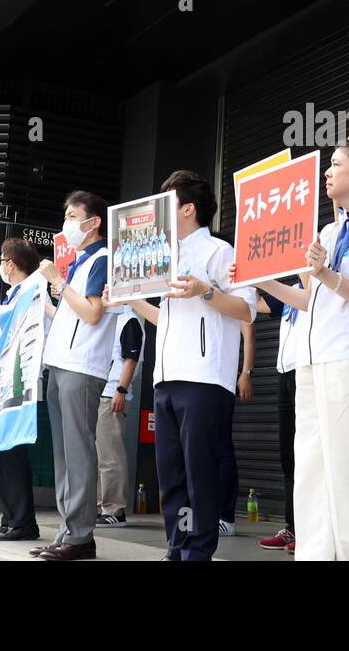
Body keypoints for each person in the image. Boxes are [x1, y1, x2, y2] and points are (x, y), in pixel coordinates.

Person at [254, 144, 349, 561]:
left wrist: (326, 273)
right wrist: (261, 280)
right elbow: (308, 299)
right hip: (312, 360)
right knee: (311, 467)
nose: (327, 173)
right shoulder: (329, 233)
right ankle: (313, 552)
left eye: (335, 165)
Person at [114, 171, 255, 561]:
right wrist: (126, 300)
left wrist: (205, 290)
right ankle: (178, 547)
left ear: (188, 209)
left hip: (205, 379)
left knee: (199, 472)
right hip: (167, 378)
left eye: (167, 206)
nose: (158, 214)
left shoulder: (219, 251)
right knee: (171, 474)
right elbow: (168, 318)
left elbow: (246, 309)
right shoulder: (163, 256)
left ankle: (198, 551)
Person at [33, 191, 116, 561]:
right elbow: (71, 313)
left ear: (93, 221)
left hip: (82, 367)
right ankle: (69, 532)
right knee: (64, 455)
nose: (67, 223)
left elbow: (94, 313)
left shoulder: (101, 258)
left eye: (72, 216)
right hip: (62, 364)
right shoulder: (81, 263)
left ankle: (80, 537)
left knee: (79, 454)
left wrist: (59, 282)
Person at [0, 238, 43, 542]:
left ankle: (22, 521)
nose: (1, 265)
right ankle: (9, 518)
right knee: (2, 451)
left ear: (11, 264)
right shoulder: (15, 295)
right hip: (3, 385)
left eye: (2, 260)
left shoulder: (33, 290)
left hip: (19, 383)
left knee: (12, 452)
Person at [257, 286, 304, 553]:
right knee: (289, 455)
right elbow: (261, 304)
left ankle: (309, 528)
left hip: (306, 368)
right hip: (284, 371)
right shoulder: (291, 288)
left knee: (307, 456)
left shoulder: (312, 281)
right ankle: (293, 527)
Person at [96, 304, 143, 528]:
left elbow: (131, 359)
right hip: (102, 392)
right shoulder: (110, 317)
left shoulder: (129, 319)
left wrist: (121, 390)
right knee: (101, 454)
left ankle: (115, 509)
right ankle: (103, 507)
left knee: (110, 454)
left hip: (112, 395)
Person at [218, 319, 255, 536]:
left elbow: (248, 331)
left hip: (222, 380)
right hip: (199, 378)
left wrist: (246, 372)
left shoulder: (231, 290)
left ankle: (226, 517)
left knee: (222, 448)